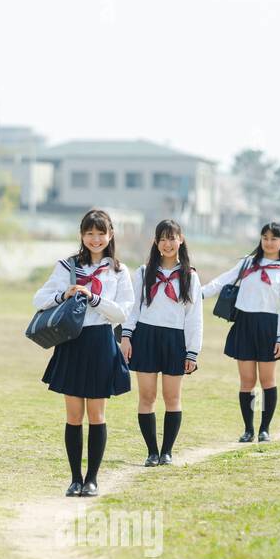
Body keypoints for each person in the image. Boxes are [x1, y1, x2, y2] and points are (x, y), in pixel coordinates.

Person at [33, 209, 134, 495]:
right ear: (81, 235)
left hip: (101, 342)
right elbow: (38, 299)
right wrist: (62, 295)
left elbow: (123, 312)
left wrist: (94, 297)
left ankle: (92, 480)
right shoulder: (67, 267)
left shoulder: (118, 270)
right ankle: (75, 478)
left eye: (101, 233)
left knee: (97, 414)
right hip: (72, 343)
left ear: (110, 235)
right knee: (74, 415)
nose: (95, 239)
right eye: (89, 233)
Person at [201, 221, 280, 442]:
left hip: (268, 328)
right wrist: (199, 293)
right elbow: (223, 280)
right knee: (247, 381)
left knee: (267, 380)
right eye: (265, 238)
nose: (269, 242)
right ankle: (248, 429)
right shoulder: (248, 263)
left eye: (274, 238)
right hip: (244, 324)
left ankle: (265, 428)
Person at [121, 219, 203, 465]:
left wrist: (192, 353)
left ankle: (167, 451)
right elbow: (132, 309)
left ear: (181, 240)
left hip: (174, 338)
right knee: (146, 397)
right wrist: (126, 337)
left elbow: (194, 318)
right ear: (156, 243)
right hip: (145, 336)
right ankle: (151, 452)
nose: (167, 244)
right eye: (162, 239)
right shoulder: (144, 272)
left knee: (172, 397)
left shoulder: (189, 276)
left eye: (172, 238)